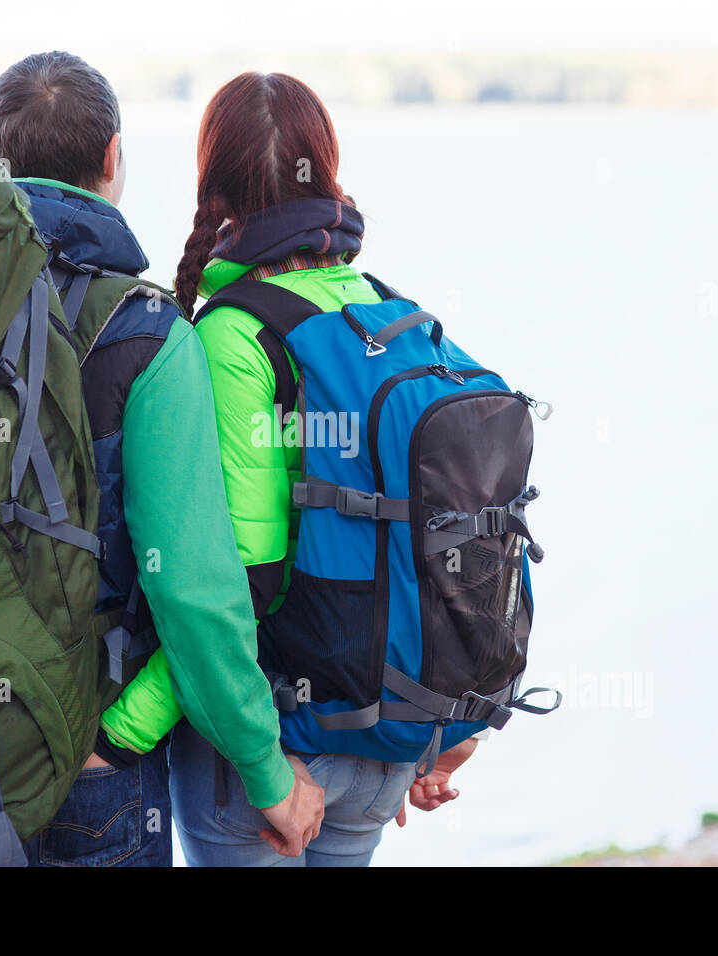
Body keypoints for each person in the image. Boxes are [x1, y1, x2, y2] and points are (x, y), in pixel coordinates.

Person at [0, 52, 323, 867]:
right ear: (113, 157)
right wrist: (266, 774)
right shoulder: (144, 333)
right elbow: (196, 589)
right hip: (81, 769)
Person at [167, 72, 483, 867]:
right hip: (384, 746)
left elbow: (243, 578)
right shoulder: (385, 311)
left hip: (270, 758)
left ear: (215, 187)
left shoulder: (233, 336)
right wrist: (449, 730)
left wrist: (122, 730)